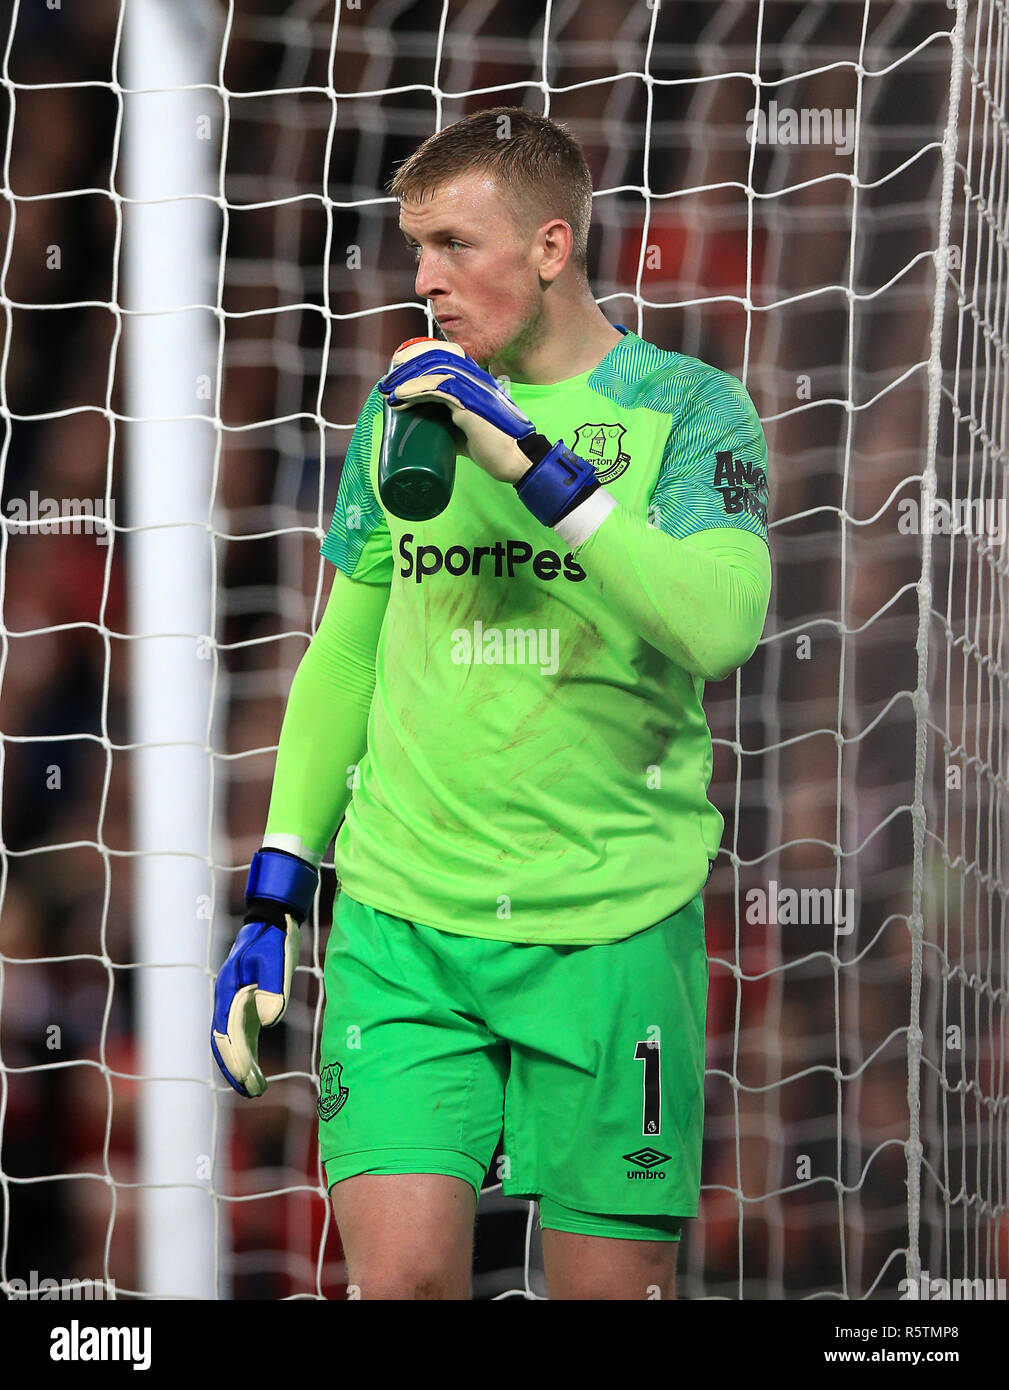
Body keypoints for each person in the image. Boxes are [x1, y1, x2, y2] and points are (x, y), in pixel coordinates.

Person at [211, 105, 771, 1300]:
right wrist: (273, 896)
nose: (424, 279)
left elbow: (719, 623)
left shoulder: (691, 410)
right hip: (406, 923)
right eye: (415, 248)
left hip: (612, 927)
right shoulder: (397, 418)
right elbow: (345, 662)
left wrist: (528, 460)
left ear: (552, 248)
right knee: (400, 1284)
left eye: (456, 245)